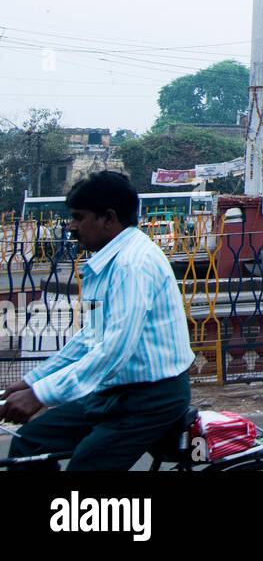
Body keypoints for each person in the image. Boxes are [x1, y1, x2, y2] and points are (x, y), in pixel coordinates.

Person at [1, 172, 194, 470]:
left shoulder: (133, 265)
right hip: (115, 391)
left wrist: (41, 394)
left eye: (79, 217)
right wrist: (33, 380)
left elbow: (112, 351)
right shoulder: (105, 263)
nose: (71, 226)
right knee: (30, 444)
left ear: (108, 218)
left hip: (150, 399)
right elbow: (92, 337)